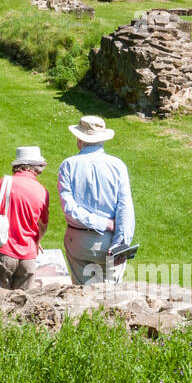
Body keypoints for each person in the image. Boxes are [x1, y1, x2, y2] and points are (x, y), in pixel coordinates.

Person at [57, 116, 135, 286]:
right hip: (110, 239)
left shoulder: (68, 165)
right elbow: (125, 207)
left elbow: (69, 208)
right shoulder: (117, 165)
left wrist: (102, 224)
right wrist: (120, 243)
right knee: (113, 297)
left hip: (79, 240)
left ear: (79, 139)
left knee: (81, 296)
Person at [0, 147, 49, 290]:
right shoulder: (43, 191)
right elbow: (42, 225)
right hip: (29, 258)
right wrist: (36, 242)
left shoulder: (6, 183)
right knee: (23, 306)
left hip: (4, 252)